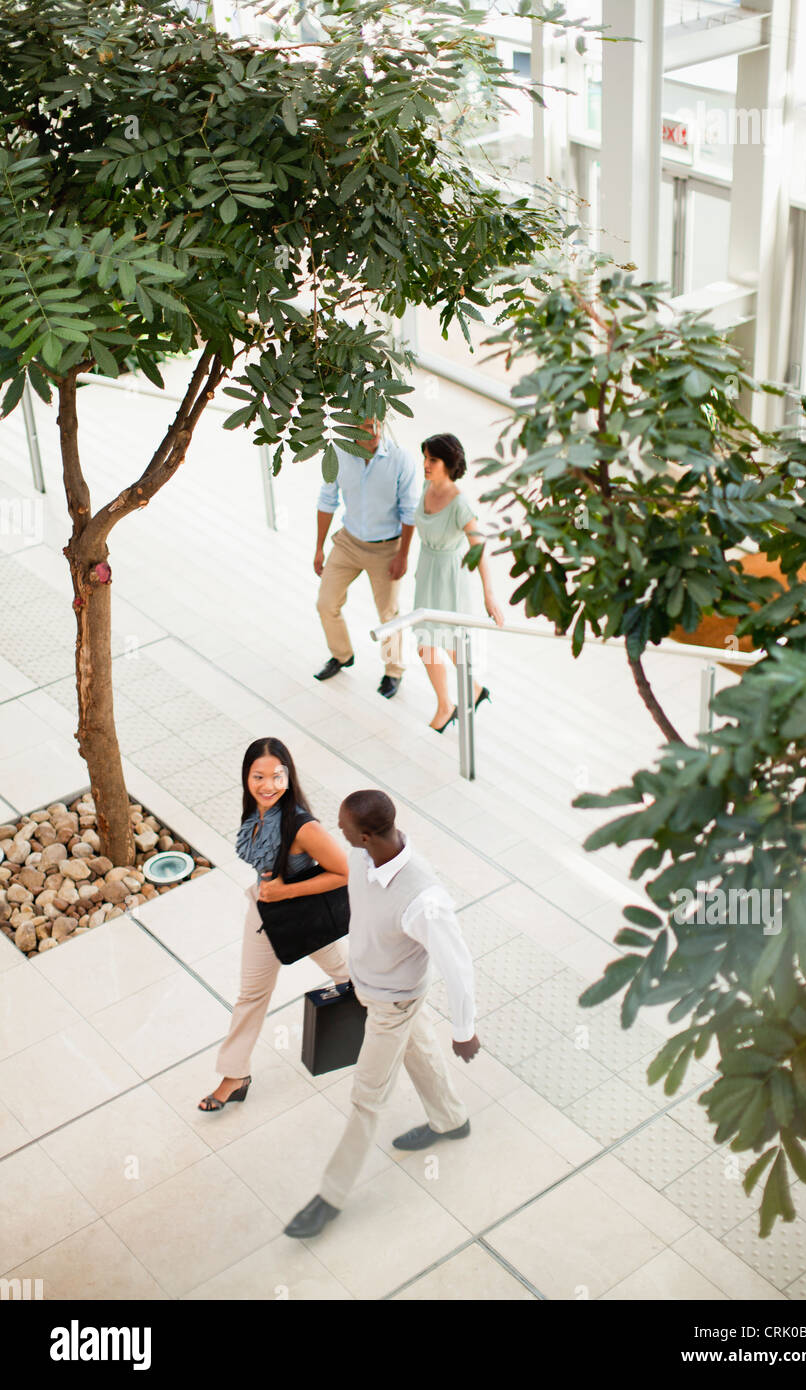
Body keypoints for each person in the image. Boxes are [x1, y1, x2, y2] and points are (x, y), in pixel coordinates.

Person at [284, 789, 480, 1238]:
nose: (339, 831)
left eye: (344, 826)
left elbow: (458, 965)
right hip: (372, 988)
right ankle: (451, 1120)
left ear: (367, 835)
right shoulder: (362, 857)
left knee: (367, 1097)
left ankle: (330, 1197)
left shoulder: (424, 899)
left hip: (395, 1003)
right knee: (419, 1050)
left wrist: (465, 1030)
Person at [198, 737, 350, 1112]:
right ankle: (235, 1075)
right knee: (251, 994)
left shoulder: (303, 826)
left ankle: (392, 1020)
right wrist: (270, 894)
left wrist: (282, 893)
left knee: (349, 976)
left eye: (276, 776)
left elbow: (345, 872)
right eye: (258, 776)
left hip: (298, 914)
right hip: (266, 910)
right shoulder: (258, 812)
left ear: (289, 775)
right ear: (246, 777)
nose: (268, 785)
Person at [314, 416, 420, 699]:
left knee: (388, 615)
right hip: (348, 542)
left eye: (376, 424)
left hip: (387, 547)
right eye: (365, 426)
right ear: (350, 427)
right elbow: (327, 501)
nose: (373, 432)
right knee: (325, 603)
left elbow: (410, 513)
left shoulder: (401, 460)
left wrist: (403, 555)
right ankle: (341, 655)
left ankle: (393, 672)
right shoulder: (338, 454)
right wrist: (319, 547)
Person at [413, 432, 504, 732]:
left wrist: (489, 595)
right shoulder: (427, 486)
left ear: (449, 464)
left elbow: (478, 549)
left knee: (433, 644)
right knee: (435, 642)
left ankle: (446, 705)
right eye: (425, 457)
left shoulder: (459, 504)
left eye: (433, 460)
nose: (426, 464)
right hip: (428, 571)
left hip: (450, 578)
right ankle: (471, 691)